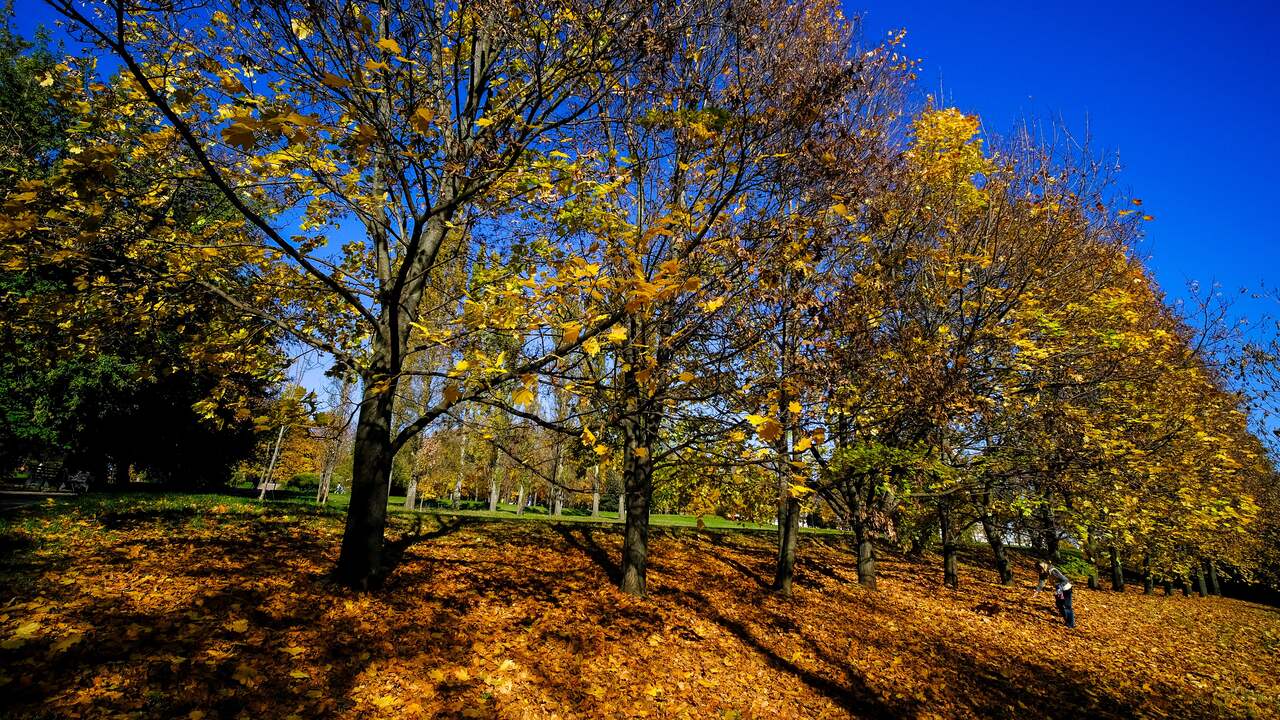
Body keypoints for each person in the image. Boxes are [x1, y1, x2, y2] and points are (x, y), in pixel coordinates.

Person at [1035, 560, 1076, 629]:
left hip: (1066, 589)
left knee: (1067, 606)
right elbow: (1041, 581)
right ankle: (1066, 619)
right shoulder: (1044, 572)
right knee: (1059, 604)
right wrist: (1037, 591)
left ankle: (1071, 624)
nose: (1040, 570)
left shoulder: (1053, 571)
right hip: (1059, 591)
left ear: (1044, 565)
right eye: (1038, 569)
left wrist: (1059, 586)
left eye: (1041, 568)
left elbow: (1065, 580)